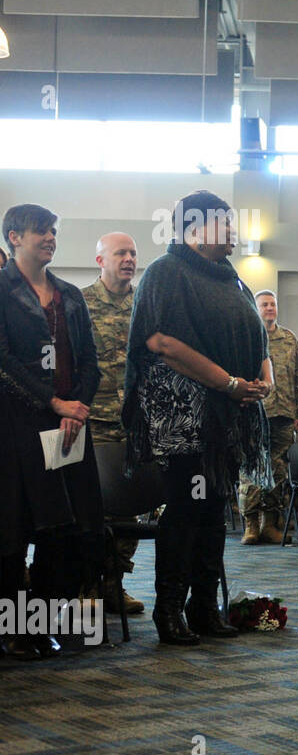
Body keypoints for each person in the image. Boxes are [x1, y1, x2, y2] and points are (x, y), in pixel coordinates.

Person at [123, 190, 272, 646]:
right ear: (191, 230)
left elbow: (258, 340)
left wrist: (264, 380)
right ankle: (169, 612)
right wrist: (228, 383)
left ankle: (204, 606)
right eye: (222, 224)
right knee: (186, 511)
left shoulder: (233, 280)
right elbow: (161, 342)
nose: (232, 232)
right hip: (183, 419)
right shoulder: (166, 272)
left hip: (226, 418)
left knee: (213, 513)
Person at [0, 204, 104, 659]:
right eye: (40, 231)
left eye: (53, 231)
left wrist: (74, 408)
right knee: (13, 534)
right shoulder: (2, 291)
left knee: (69, 531)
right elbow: (3, 362)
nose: (49, 238)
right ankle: (11, 630)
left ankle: (38, 628)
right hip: (16, 427)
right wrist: (51, 401)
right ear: (13, 237)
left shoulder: (69, 295)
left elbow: (90, 361)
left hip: (68, 428)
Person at [83, 231, 144, 615]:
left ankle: (115, 585)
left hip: (134, 423)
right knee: (90, 509)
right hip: (91, 422)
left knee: (128, 509)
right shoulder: (80, 303)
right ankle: (86, 586)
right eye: (120, 252)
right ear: (100, 260)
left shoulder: (146, 304)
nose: (128, 259)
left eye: (133, 253)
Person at [238, 290, 298, 545]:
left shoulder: (289, 339)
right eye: (264, 305)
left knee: (278, 472)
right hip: (255, 413)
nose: (269, 308)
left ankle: (270, 523)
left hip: (283, 414)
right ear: (255, 309)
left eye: (272, 304)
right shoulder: (247, 336)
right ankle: (250, 524)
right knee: (251, 470)